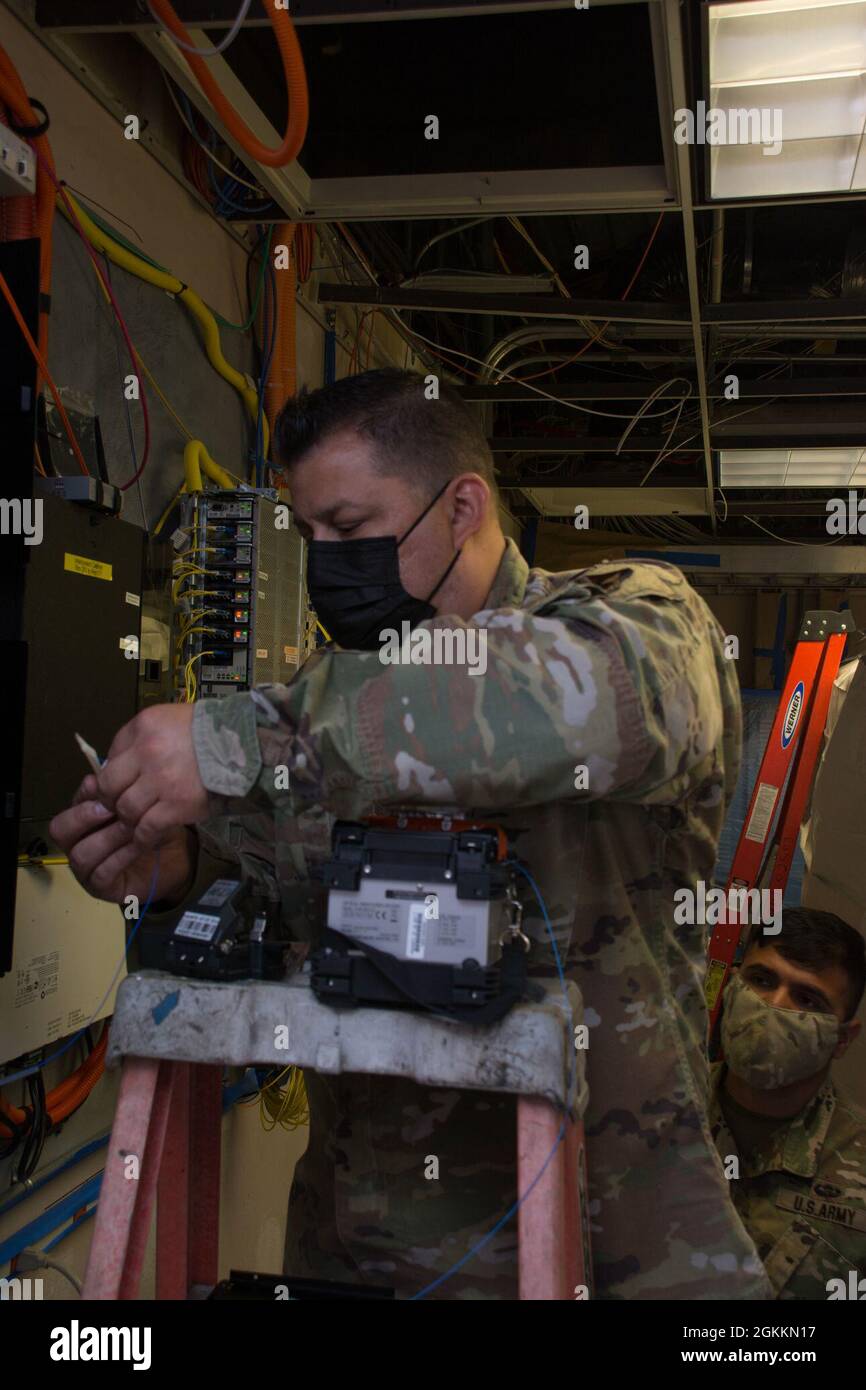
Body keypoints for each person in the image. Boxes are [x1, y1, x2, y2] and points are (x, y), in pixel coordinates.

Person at [50, 368, 770, 1300]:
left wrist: (239, 741)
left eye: (348, 529)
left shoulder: (630, 616)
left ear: (461, 505)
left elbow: (608, 708)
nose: (324, 562)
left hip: (600, 1249)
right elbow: (299, 888)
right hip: (362, 1250)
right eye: (307, 536)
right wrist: (180, 868)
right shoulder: (340, 694)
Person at [710, 909, 866, 1299]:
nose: (774, 1006)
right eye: (761, 980)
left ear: (843, 1039)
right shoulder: (652, 1109)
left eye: (808, 998)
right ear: (731, 988)